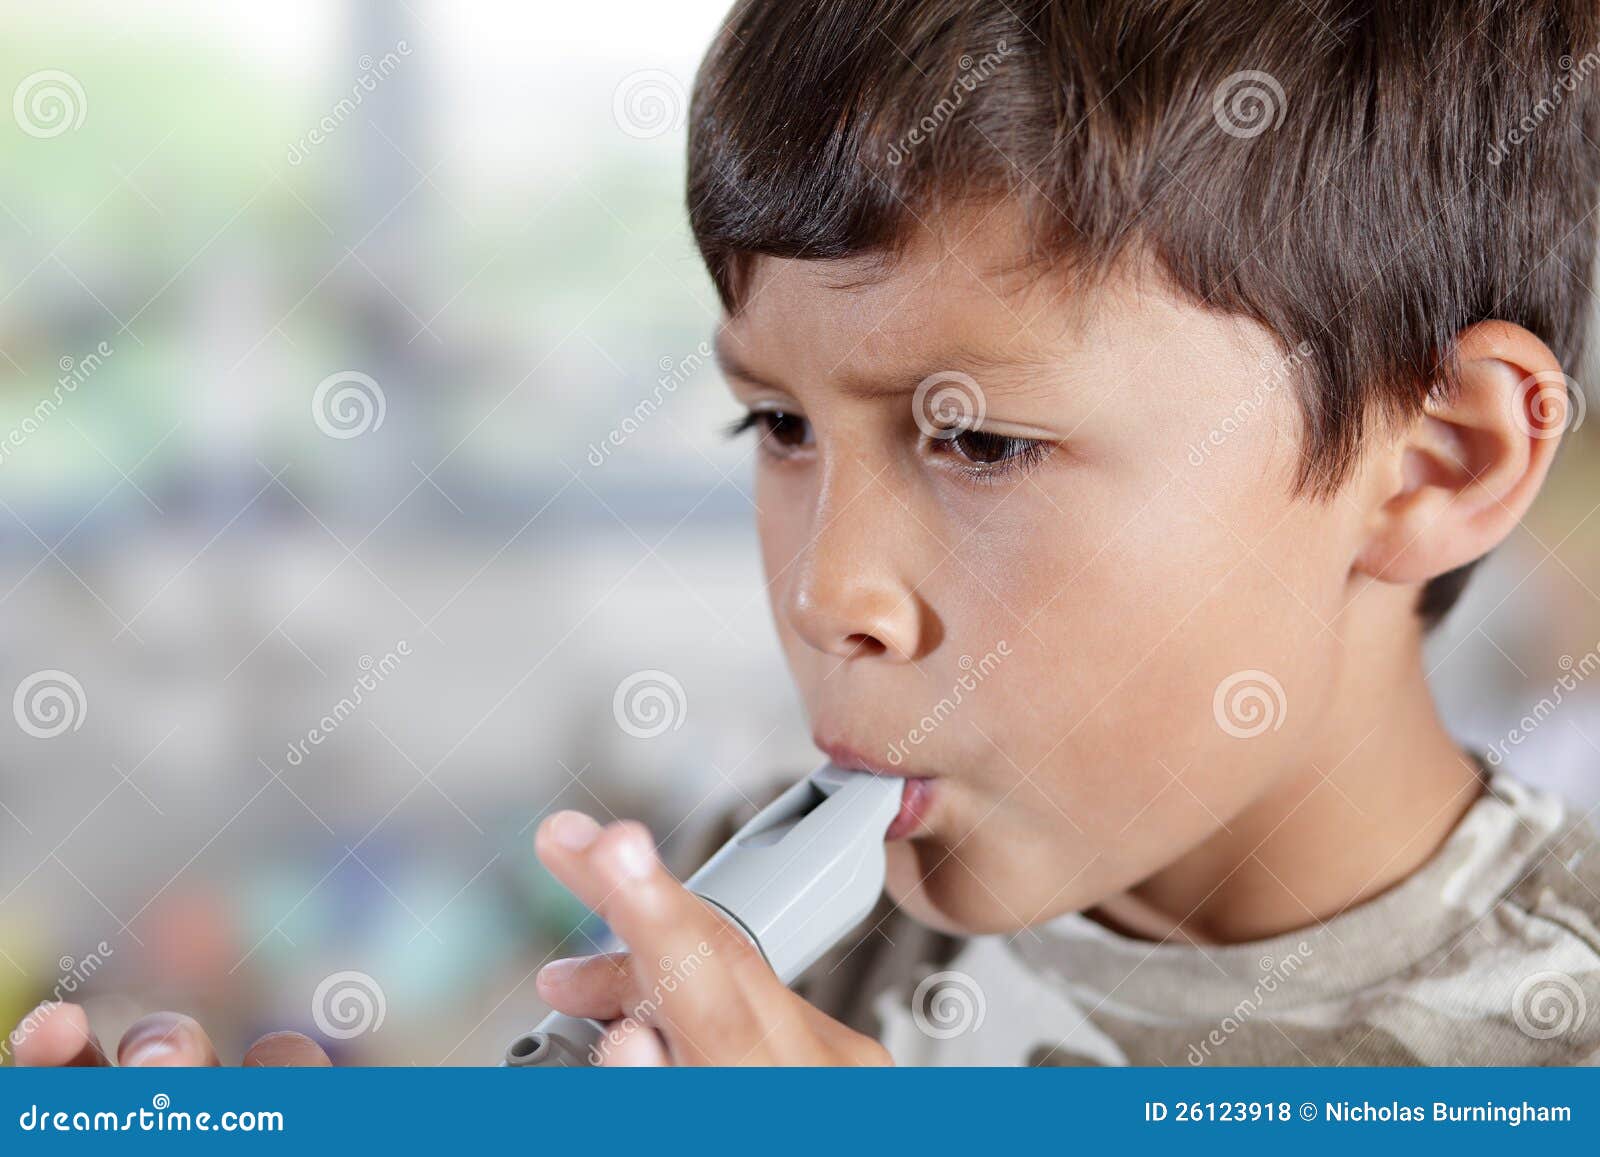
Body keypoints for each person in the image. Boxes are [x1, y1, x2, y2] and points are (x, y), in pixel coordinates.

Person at [16, 0, 1600, 1066]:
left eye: (979, 438)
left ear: (1434, 460)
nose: (827, 589)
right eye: (778, 425)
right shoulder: (754, 938)